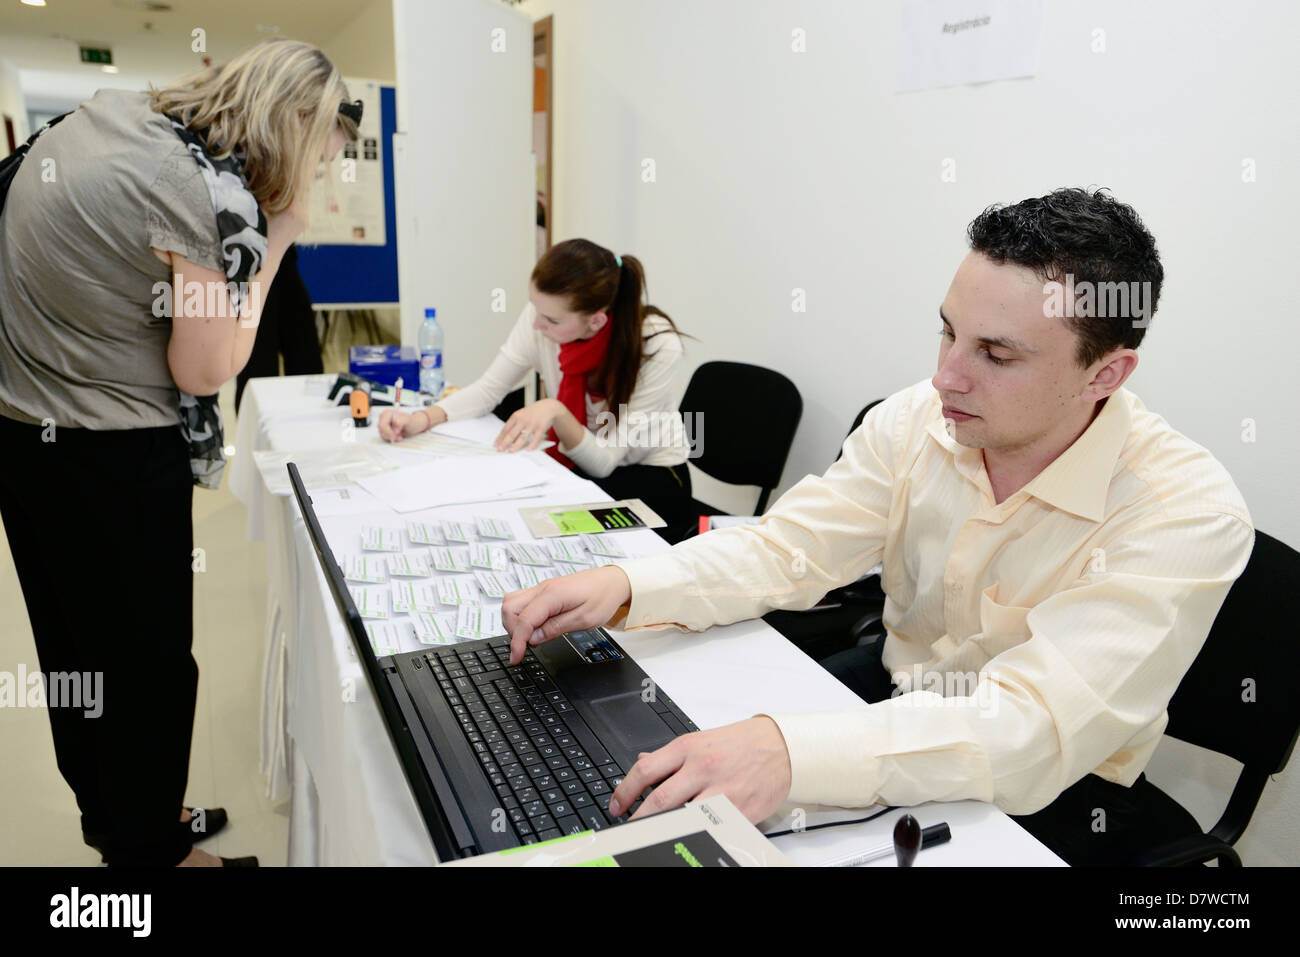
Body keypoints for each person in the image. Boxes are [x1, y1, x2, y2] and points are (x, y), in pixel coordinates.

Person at [500, 188, 1255, 866]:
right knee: (652, 767)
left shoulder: (1183, 510)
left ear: (1104, 376)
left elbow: (1030, 727)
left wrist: (792, 753)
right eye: (948, 332)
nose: (946, 376)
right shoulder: (920, 419)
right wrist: (630, 581)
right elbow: (791, 545)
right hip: (899, 693)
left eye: (994, 353)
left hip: (1058, 785)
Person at [0, 38, 358, 866]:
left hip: (27, 430)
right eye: (318, 158)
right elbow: (206, 365)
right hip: (104, 452)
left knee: (77, 655)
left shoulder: (125, 114)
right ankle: (150, 855)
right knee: (147, 670)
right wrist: (281, 237)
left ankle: (132, 817)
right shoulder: (197, 193)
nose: (319, 177)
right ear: (283, 131)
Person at [379, 239, 694, 536]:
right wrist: (420, 419)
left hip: (648, 479)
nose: (535, 325)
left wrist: (556, 410)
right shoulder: (545, 318)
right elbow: (489, 389)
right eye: (534, 308)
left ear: (595, 322)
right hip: (582, 465)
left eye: (550, 320)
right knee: (508, 517)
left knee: (542, 530)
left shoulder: (657, 346)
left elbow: (605, 462)